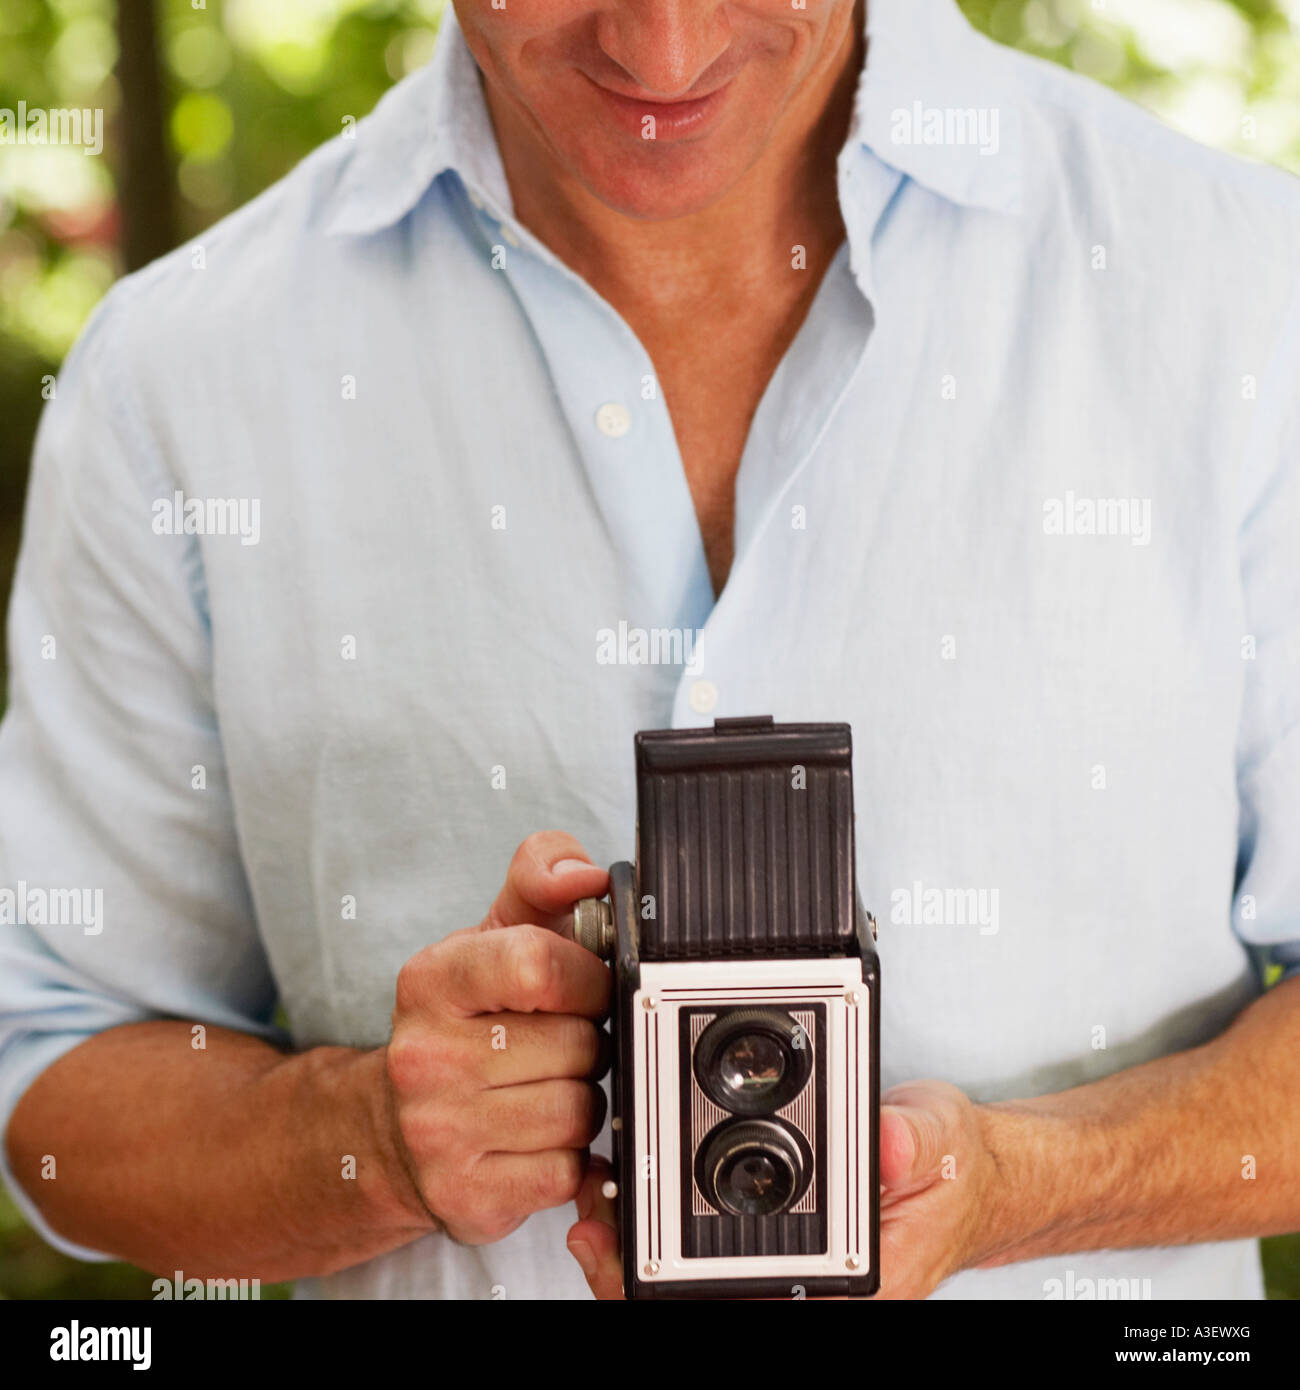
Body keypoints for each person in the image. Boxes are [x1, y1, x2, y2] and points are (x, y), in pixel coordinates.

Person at [2, 0, 1298, 1302]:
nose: (662, 53)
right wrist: (369, 1143)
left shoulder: (1243, 291)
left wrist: (1023, 1187)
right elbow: (55, 1083)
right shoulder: (174, 377)